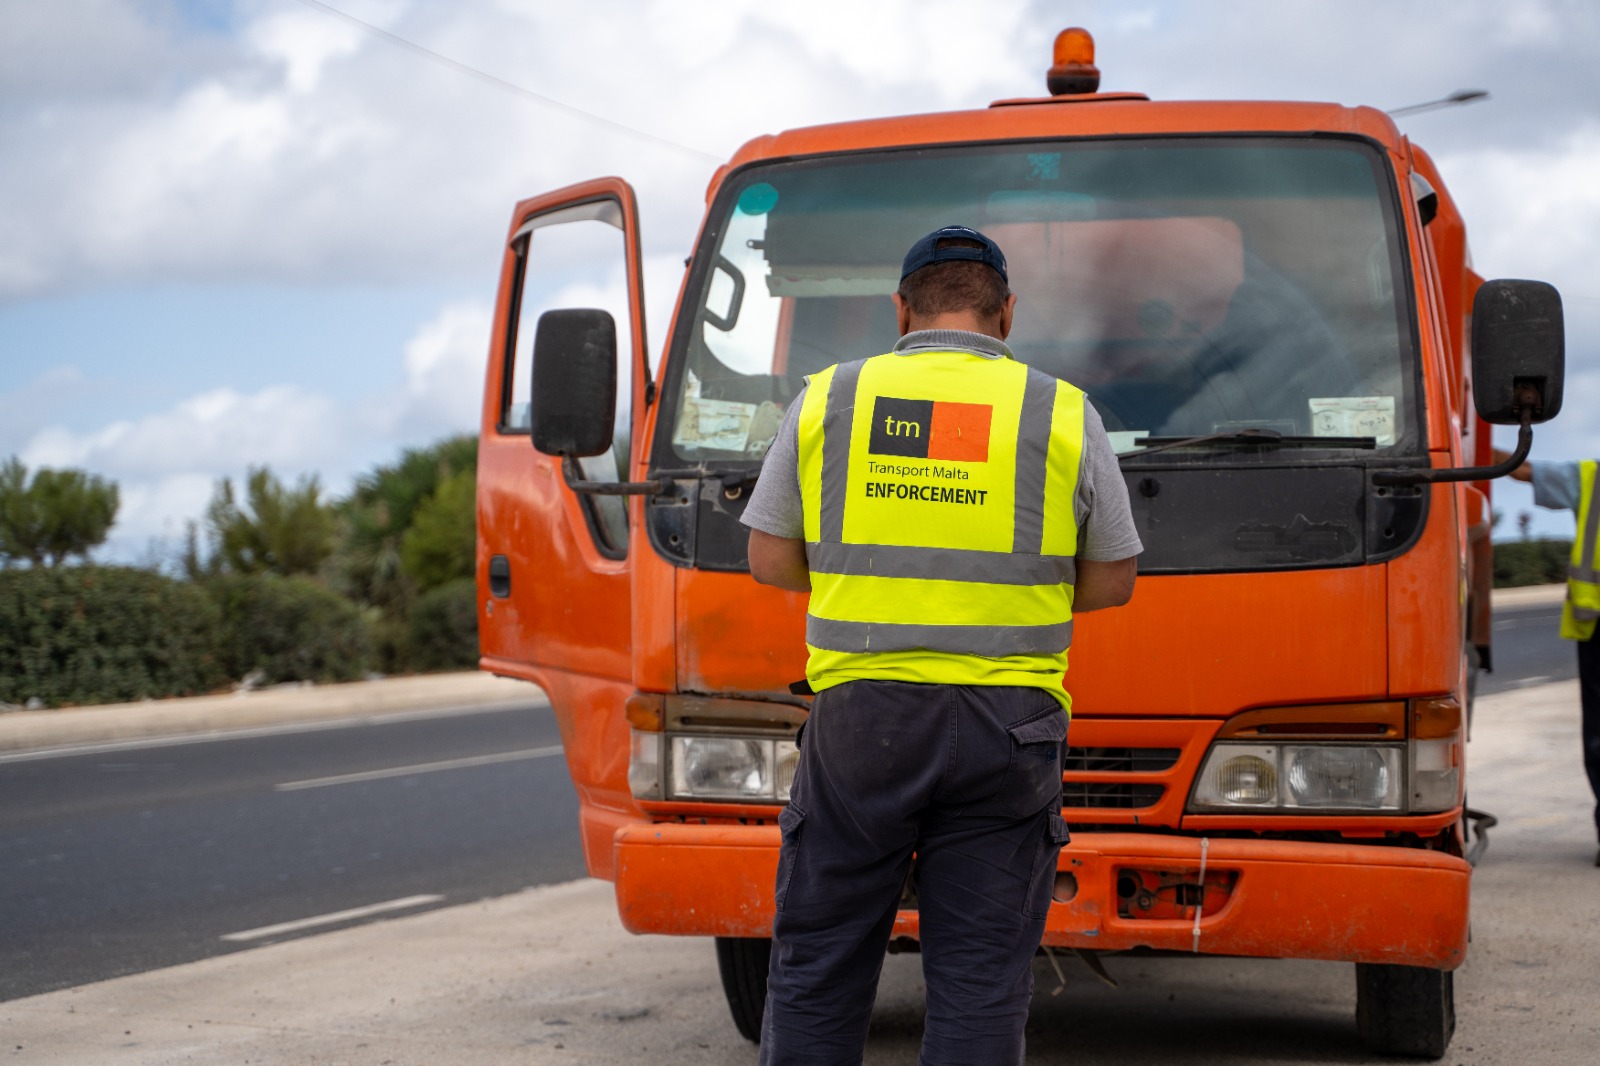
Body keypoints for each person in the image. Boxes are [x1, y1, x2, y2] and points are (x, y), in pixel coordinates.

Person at [740, 224, 1143, 1065]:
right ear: (1006, 316)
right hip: (1010, 729)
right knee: (981, 982)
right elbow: (1114, 580)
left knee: (820, 966)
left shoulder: (828, 397)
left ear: (902, 310)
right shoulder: (1062, 409)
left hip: (863, 723)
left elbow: (770, 558)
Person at [1497, 449, 1600, 866]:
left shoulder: (1590, 479)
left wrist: (1469, 438)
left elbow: (1520, 468)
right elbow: (1522, 467)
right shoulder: (1589, 478)